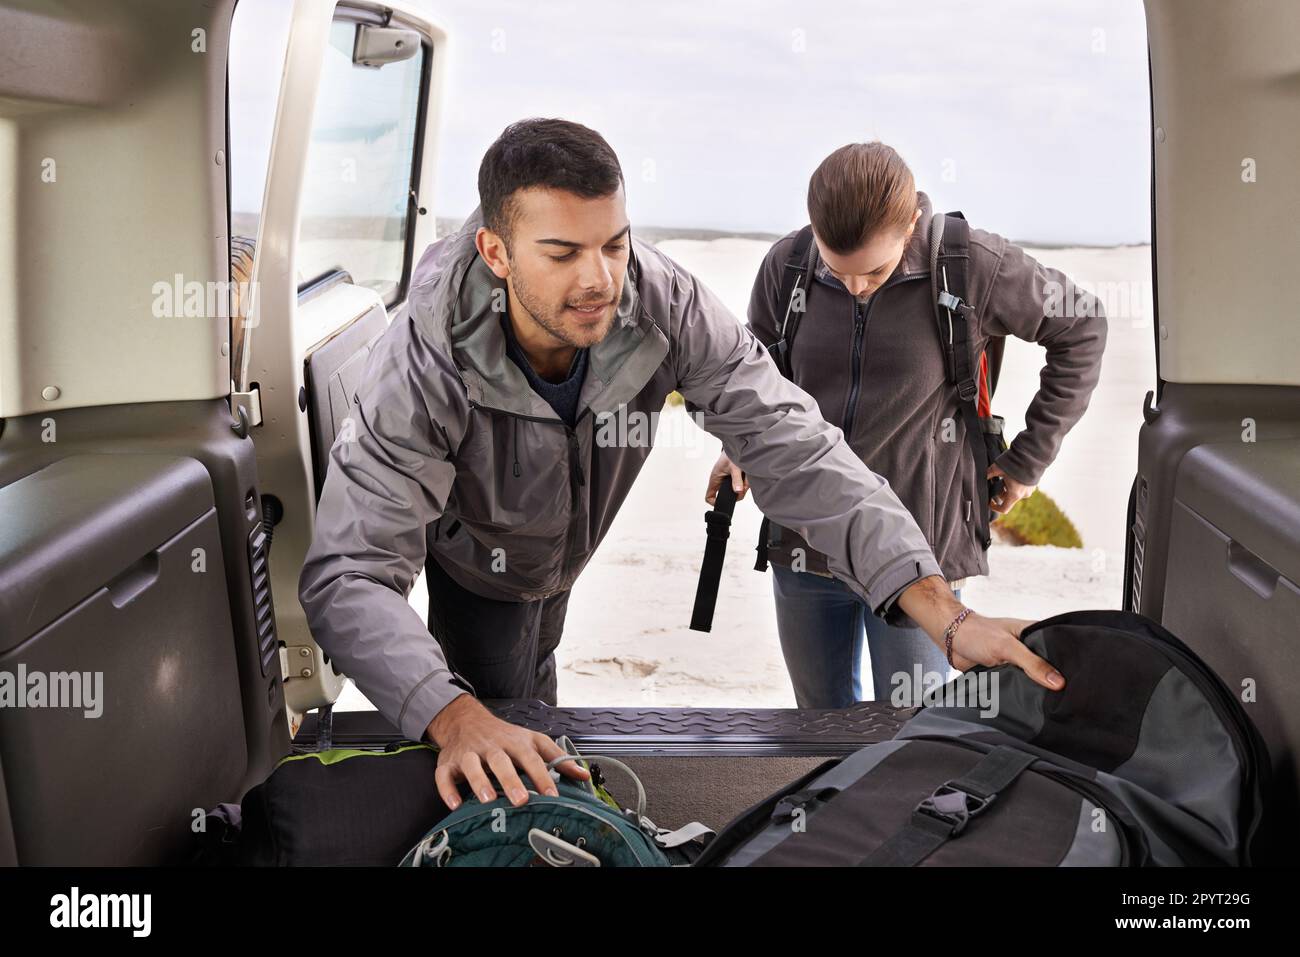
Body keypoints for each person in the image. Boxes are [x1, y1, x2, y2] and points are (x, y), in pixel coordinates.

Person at [298, 119, 1067, 813]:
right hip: (481, 566)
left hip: (563, 557)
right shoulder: (423, 359)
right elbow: (350, 574)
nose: (599, 278)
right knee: (493, 727)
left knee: (539, 700)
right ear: (495, 252)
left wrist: (944, 608)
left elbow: (796, 445)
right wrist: (450, 713)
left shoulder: (662, 302)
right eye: (562, 252)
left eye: (613, 242)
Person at [705, 142, 1106, 708]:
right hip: (804, 547)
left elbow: (1083, 325)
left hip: (924, 550)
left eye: (872, 270)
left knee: (911, 729)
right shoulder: (788, 266)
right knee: (819, 729)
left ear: (913, 222)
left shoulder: (974, 266)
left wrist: (1027, 461)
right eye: (837, 270)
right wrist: (740, 446)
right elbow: (756, 376)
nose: (854, 287)